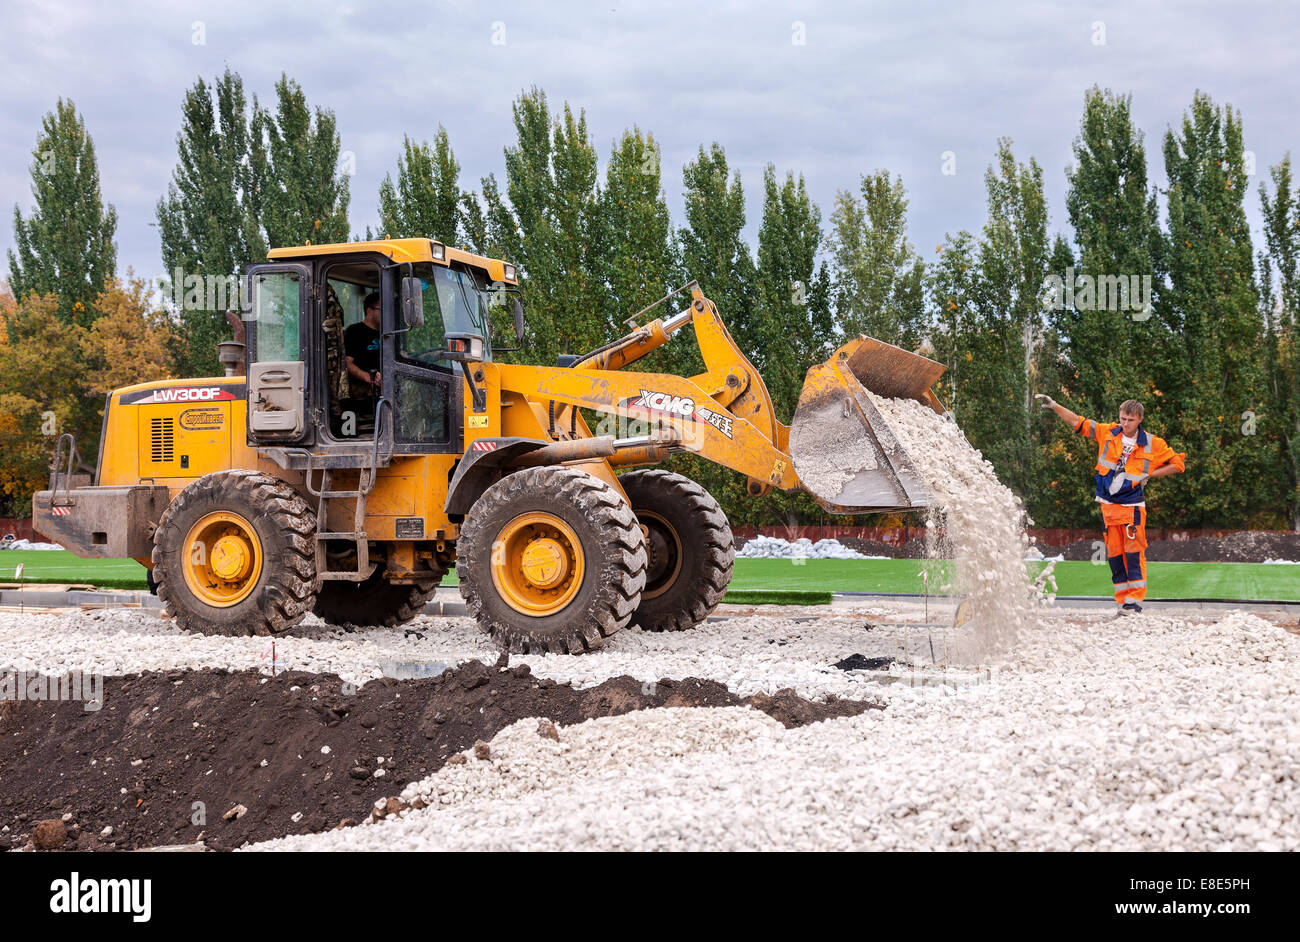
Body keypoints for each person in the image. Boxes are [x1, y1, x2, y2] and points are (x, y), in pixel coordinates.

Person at [1037, 395, 1186, 616]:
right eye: (1123, 419)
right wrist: (1055, 406)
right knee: (1115, 556)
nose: (1125, 424)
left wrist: (1149, 474)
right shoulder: (1108, 432)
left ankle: (1133, 603)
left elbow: (1178, 464)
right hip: (1108, 507)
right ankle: (1122, 603)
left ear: (1140, 419)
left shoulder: (1154, 443)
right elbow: (1078, 422)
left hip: (1132, 508)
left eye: (1130, 420)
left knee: (1134, 554)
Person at [344, 292, 382, 395]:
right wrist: (367, 376)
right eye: (381, 309)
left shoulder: (387, 332)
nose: (386, 313)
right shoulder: (354, 331)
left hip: (386, 384)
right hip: (362, 389)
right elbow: (347, 362)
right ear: (369, 311)